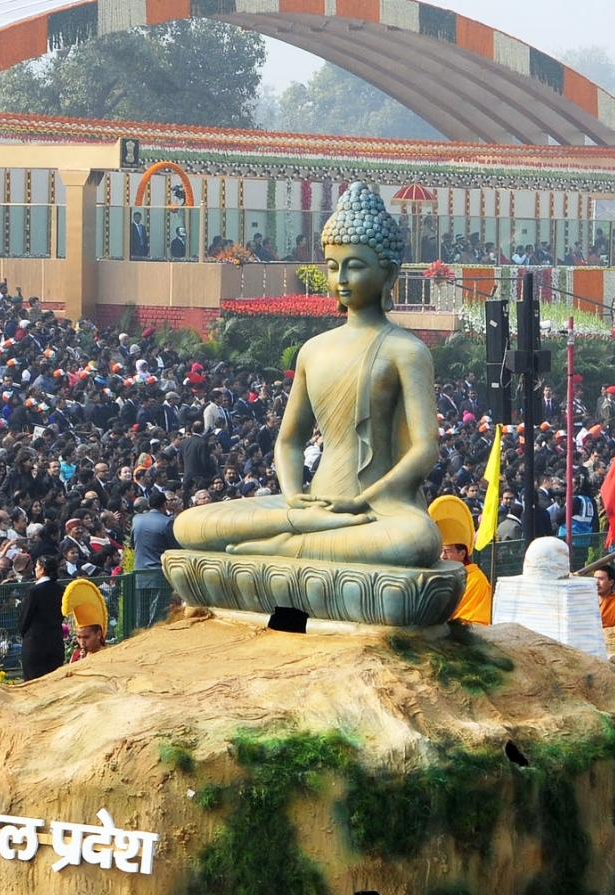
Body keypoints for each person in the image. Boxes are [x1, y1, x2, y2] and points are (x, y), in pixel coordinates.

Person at [172, 184, 442, 569]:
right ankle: (300, 532)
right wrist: (293, 498)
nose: (341, 278)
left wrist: (361, 500)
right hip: (312, 504)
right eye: (333, 266)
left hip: (377, 509)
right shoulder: (313, 350)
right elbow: (289, 441)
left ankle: (277, 547)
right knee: (189, 524)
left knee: (414, 542)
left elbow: (425, 448)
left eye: (355, 266)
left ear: (389, 274)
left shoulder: (406, 350)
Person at [429, 495, 491, 625]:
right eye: (440, 551)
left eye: (447, 551)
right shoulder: (438, 575)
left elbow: (475, 620)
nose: (442, 556)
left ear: (462, 553)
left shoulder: (476, 580)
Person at [130, 490, 178, 627]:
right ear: (165, 504)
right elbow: (175, 548)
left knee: (141, 616)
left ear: (149, 505)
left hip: (139, 573)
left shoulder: (136, 519)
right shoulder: (168, 522)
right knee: (157, 618)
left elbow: (132, 544)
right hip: (159, 575)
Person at [16, 555, 65, 680]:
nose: (35, 569)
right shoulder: (62, 590)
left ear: (42, 569)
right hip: (56, 641)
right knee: (54, 680)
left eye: (37, 566)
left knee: (33, 683)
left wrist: (23, 633)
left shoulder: (34, 591)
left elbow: (25, 618)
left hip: (35, 643)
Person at [63, 577, 108, 663]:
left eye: (86, 637)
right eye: (78, 637)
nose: (82, 642)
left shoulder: (108, 656)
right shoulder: (76, 655)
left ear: (99, 634)